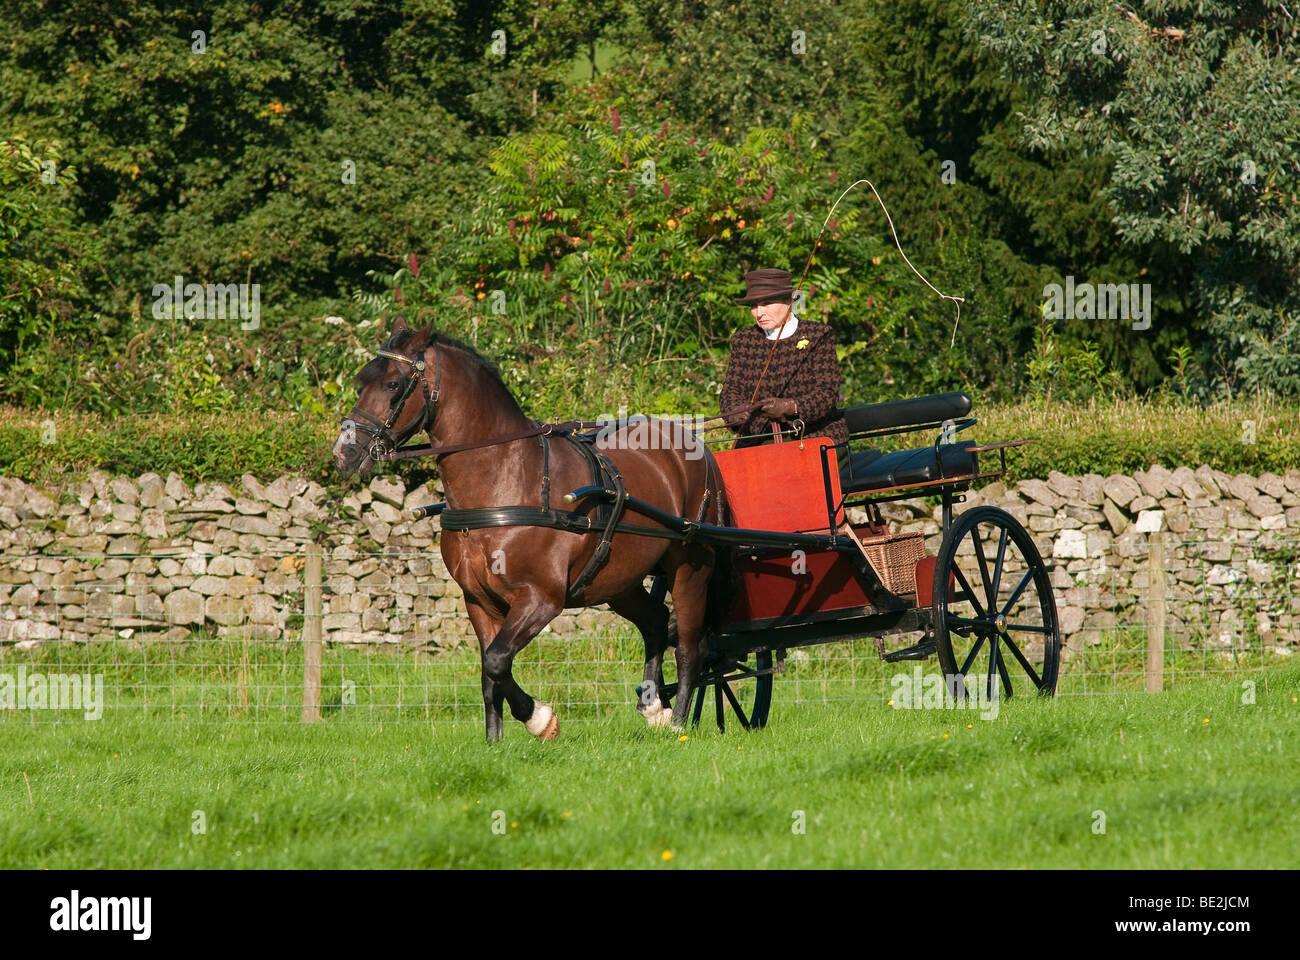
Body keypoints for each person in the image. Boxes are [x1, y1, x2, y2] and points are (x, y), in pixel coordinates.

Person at [719, 268, 849, 457]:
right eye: (753, 306)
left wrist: (792, 407)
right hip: (760, 441)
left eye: (766, 304)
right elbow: (730, 391)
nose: (758, 313)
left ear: (789, 302)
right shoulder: (743, 340)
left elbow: (827, 394)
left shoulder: (818, 335)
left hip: (813, 438)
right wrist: (734, 411)